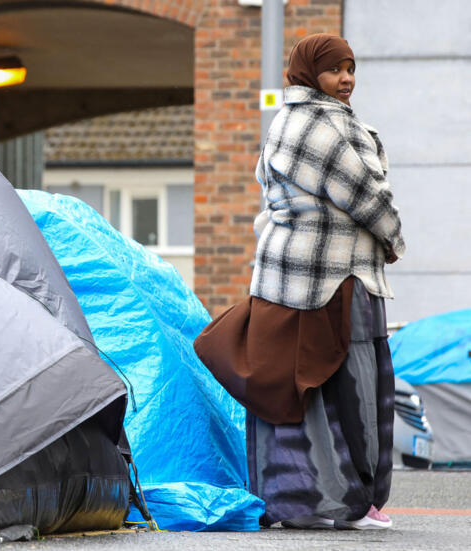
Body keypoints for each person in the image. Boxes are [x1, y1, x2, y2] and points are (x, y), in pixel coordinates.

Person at [195, 33, 405, 530]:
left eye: (351, 69)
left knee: (302, 386)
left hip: (297, 276)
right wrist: (394, 240)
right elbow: (367, 198)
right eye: (335, 70)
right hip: (332, 278)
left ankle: (317, 502)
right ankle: (346, 503)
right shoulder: (318, 125)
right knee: (346, 385)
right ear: (310, 73)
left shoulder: (291, 122)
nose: (346, 79)